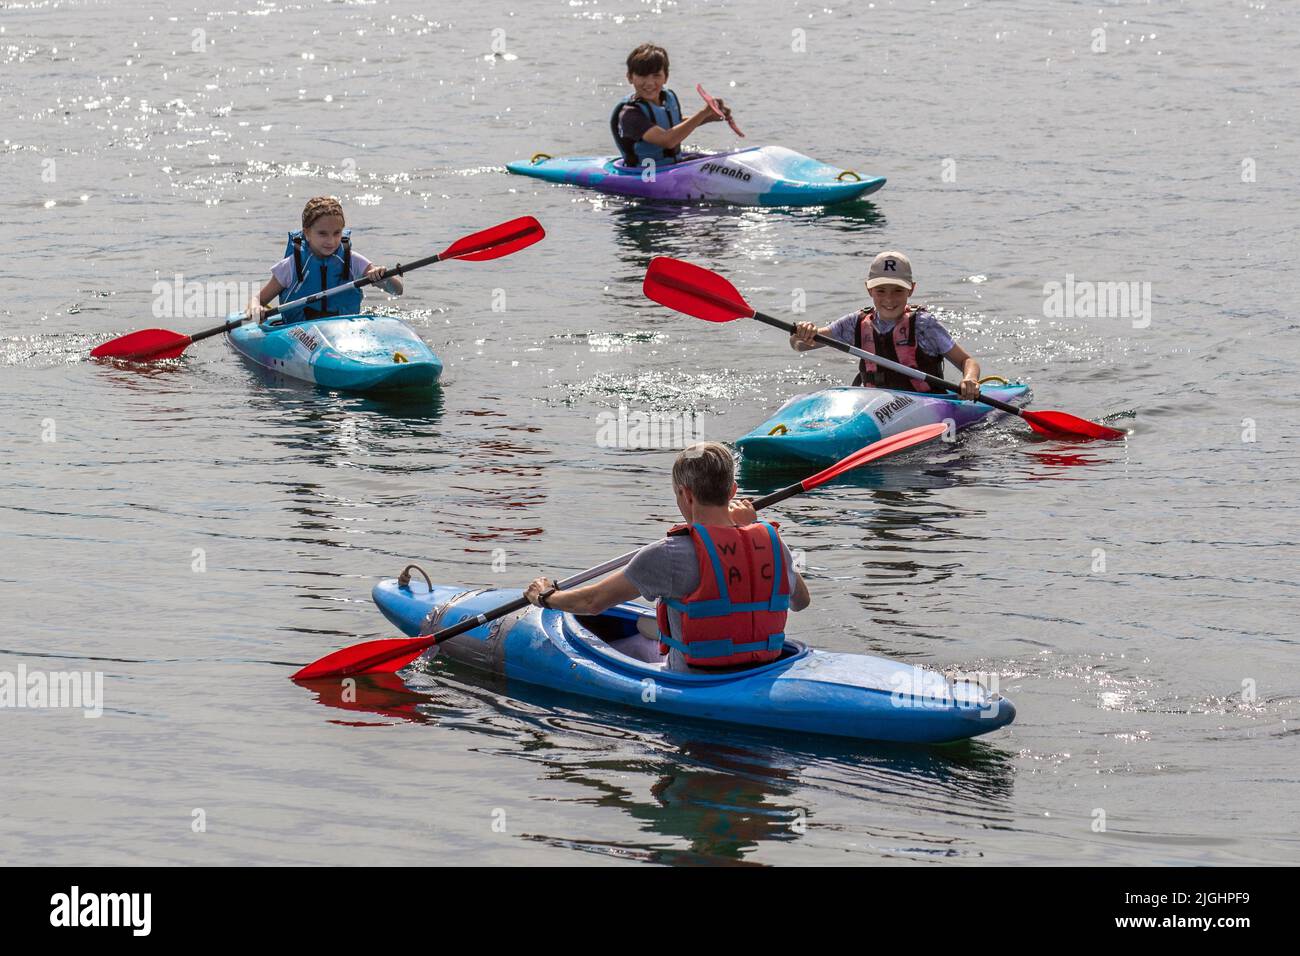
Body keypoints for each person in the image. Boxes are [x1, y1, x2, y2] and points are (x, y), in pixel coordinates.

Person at [524, 442, 810, 672]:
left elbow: (592, 602)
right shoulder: (773, 544)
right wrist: (744, 529)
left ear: (686, 495)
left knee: (626, 643)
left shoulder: (667, 555)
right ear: (733, 491)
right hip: (762, 669)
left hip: (692, 679)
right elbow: (801, 602)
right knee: (642, 634)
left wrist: (546, 597)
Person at [790, 250, 982, 399]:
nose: (889, 299)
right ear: (869, 289)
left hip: (926, 404)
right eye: (881, 290)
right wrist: (802, 333)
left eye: (898, 290)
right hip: (874, 406)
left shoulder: (924, 325)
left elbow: (967, 362)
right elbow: (800, 345)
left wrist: (970, 379)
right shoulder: (855, 323)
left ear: (911, 289)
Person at [246, 195, 403, 324]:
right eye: (322, 233)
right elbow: (258, 299)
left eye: (336, 233)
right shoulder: (290, 267)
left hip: (346, 331)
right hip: (300, 335)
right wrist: (255, 308)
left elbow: (397, 290)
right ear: (306, 233)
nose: (331, 241)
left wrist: (383, 277)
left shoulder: (353, 261)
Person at [610, 43, 732, 168]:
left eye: (656, 75)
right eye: (642, 76)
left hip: (673, 166)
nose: (650, 83)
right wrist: (703, 113)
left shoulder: (666, 98)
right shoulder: (630, 114)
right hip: (645, 172)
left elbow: (674, 124)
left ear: (666, 77)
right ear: (630, 77)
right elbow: (667, 140)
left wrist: (710, 117)